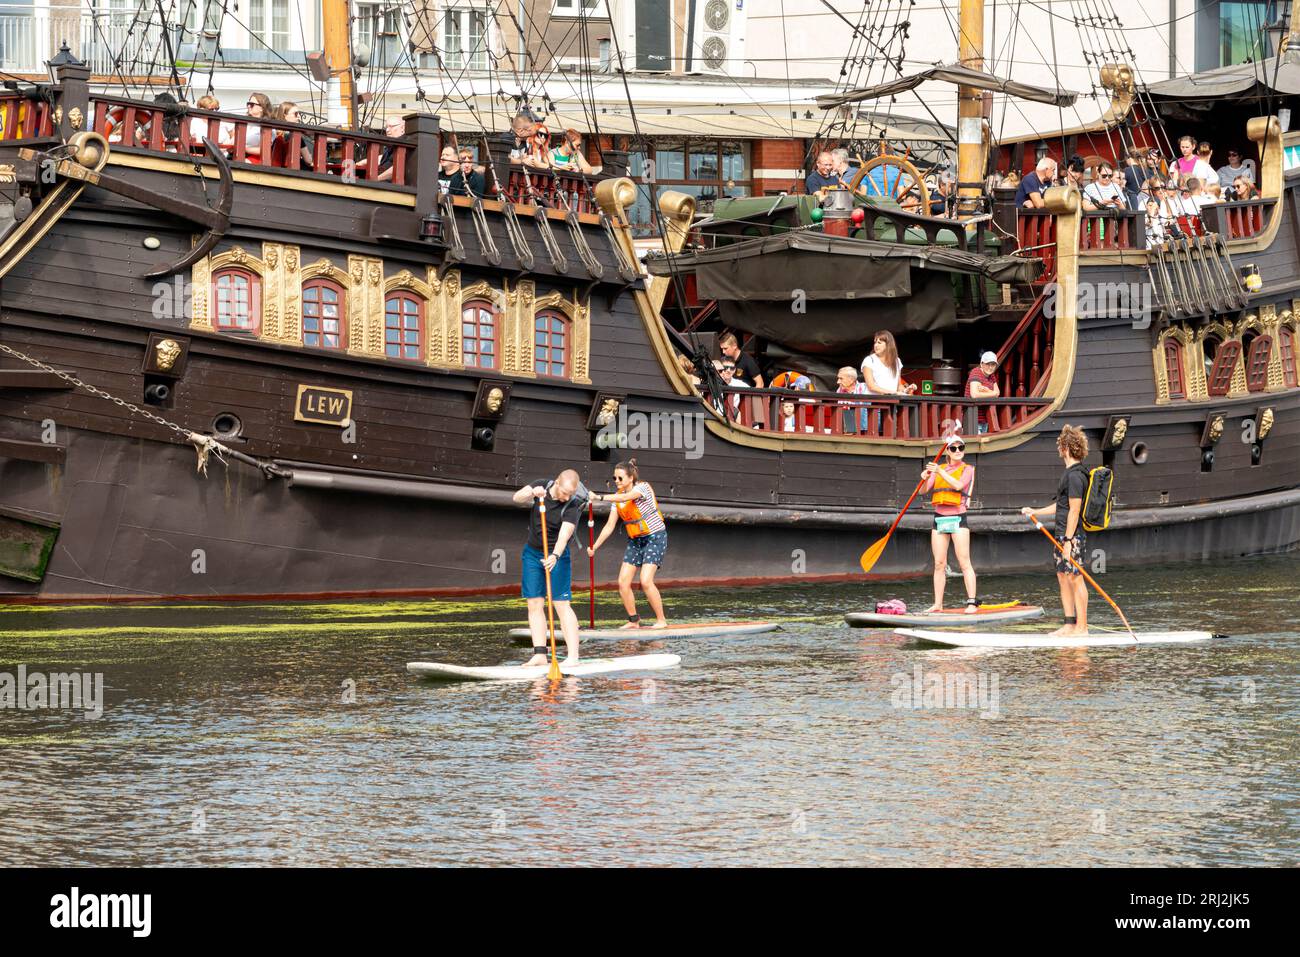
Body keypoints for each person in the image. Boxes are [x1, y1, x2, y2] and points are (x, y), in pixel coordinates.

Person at [1019, 425, 1091, 637]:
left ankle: (1082, 628)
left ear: (1067, 448)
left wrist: (1068, 540)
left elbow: (1075, 510)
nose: (1059, 449)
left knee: (1076, 577)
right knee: (1063, 576)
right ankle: (1069, 624)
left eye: (1060, 445)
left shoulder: (1076, 476)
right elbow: (1062, 506)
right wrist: (1035, 512)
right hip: (1061, 534)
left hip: (1072, 536)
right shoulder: (1068, 474)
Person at [512, 469, 589, 665]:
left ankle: (573, 657)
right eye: (564, 492)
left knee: (561, 604)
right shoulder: (542, 484)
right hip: (532, 553)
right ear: (556, 482)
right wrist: (533, 492)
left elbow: (564, 535)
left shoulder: (573, 504)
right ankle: (539, 654)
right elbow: (516, 498)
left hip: (558, 555)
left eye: (570, 494)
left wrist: (555, 555)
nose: (566, 497)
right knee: (534, 603)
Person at [588, 460, 668, 629]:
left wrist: (599, 497)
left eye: (620, 478)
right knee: (623, 582)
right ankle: (634, 621)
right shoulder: (617, 501)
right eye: (614, 478)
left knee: (645, 581)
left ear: (631, 478)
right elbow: (609, 526)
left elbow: (625, 496)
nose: (617, 481)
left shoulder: (642, 488)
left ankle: (661, 620)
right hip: (636, 540)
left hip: (655, 537)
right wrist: (594, 546)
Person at [918, 434, 978, 614]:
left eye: (961, 448)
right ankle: (938, 604)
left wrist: (939, 471)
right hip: (940, 518)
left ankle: (972, 603)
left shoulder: (968, 469)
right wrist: (924, 477)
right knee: (939, 563)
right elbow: (923, 491)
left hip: (958, 518)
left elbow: (959, 486)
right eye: (954, 448)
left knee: (964, 562)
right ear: (947, 451)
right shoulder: (939, 468)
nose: (958, 451)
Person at [271, 101, 314, 170]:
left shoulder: (273, 132)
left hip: (276, 169)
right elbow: (308, 160)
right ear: (285, 115)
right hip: (295, 171)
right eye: (296, 114)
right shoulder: (296, 136)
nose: (299, 116)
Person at [965, 351, 1000, 434]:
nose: (990, 367)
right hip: (974, 419)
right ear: (981, 364)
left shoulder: (991, 375)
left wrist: (987, 391)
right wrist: (993, 393)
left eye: (993, 364)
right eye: (988, 364)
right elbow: (975, 395)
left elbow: (997, 392)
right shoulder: (976, 372)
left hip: (985, 418)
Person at [836, 365, 870, 433]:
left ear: (851, 380)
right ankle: (850, 431)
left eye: (841, 378)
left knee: (861, 405)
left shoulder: (865, 388)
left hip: (867, 427)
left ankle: (860, 431)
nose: (838, 382)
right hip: (848, 427)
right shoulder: (840, 390)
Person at [241, 92, 272, 164]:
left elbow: (265, 150)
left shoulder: (268, 127)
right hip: (240, 156)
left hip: (256, 159)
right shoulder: (245, 123)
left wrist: (243, 148)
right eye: (248, 104)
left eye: (251, 104)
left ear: (262, 108)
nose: (248, 106)